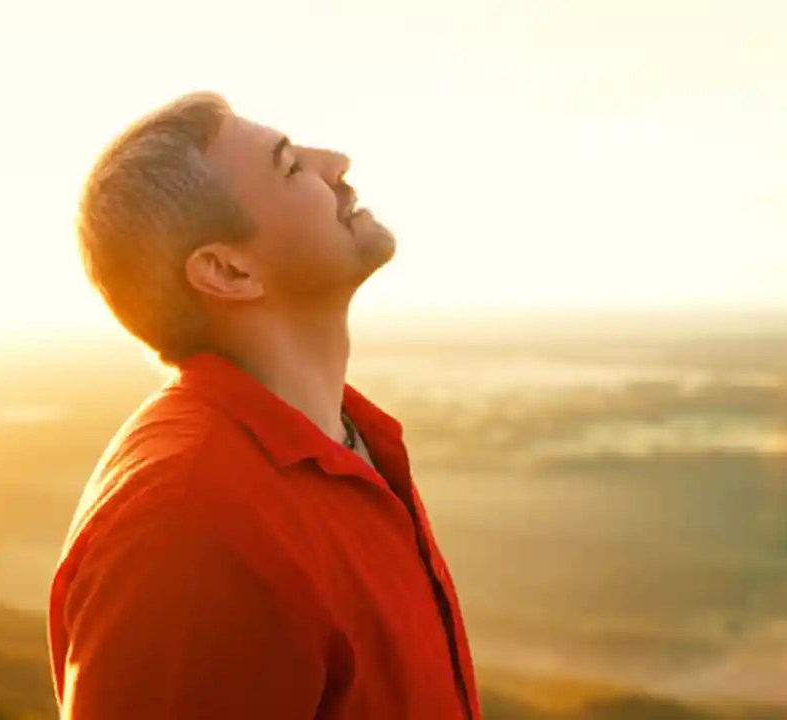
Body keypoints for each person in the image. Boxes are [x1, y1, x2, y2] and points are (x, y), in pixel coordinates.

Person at [46, 91, 480, 719]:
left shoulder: (346, 445)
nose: (336, 163)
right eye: (291, 165)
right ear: (228, 271)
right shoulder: (185, 524)